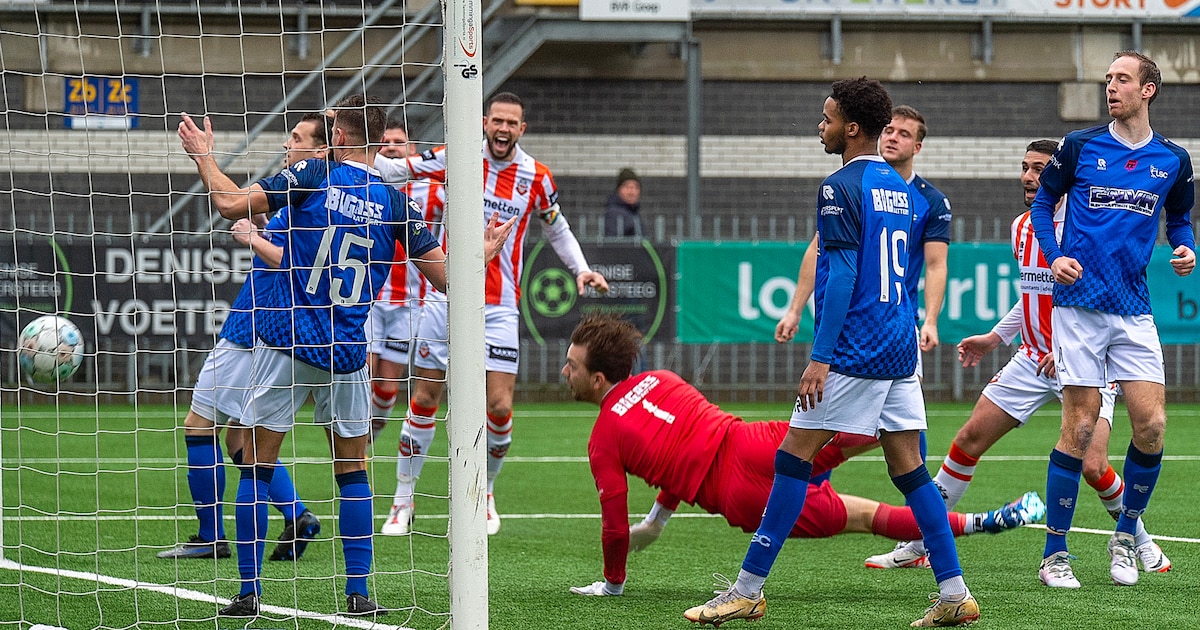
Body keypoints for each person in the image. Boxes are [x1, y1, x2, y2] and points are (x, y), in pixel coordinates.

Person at [178, 95, 515, 617]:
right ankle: (358, 593)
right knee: (353, 470)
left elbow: (228, 205)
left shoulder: (312, 174)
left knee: (257, 464)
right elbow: (449, 279)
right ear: (381, 142)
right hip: (348, 354)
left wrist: (202, 155)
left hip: (288, 344)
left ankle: (248, 592)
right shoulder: (395, 200)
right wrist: (485, 252)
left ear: (337, 137)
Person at [684, 78, 978, 628]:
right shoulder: (905, 189)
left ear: (851, 127)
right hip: (898, 346)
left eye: (826, 118)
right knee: (910, 468)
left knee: (792, 458)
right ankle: (954, 592)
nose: (819, 126)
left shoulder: (839, 185)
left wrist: (820, 356)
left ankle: (746, 590)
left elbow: (841, 276)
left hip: (856, 349)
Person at [560, 315, 1045, 598]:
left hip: (738, 493)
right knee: (874, 433)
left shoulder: (603, 437)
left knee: (869, 518)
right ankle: (903, 406)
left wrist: (613, 583)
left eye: (572, 365)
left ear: (599, 379)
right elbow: (688, 446)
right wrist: (661, 516)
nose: (565, 371)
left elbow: (614, 525)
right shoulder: (662, 379)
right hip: (754, 441)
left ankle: (986, 520)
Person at [863, 140, 1173, 579]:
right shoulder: (1024, 227)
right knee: (968, 439)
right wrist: (996, 337)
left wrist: (1060, 347)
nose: (1030, 177)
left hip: (1082, 359)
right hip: (1033, 359)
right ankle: (920, 543)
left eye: (1040, 169)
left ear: (1063, 176)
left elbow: (1090, 303)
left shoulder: (1086, 228)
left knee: (1093, 464)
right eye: (1025, 168)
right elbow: (1031, 296)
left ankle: (1135, 537)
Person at [373, 92, 609, 536]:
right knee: (425, 398)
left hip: (498, 307)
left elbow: (557, 228)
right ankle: (402, 501)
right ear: (484, 123)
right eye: (496, 120)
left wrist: (580, 269)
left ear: (522, 129)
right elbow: (392, 169)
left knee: (499, 406)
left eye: (511, 123)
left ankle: (485, 492)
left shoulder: (535, 177)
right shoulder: (454, 157)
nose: (503, 128)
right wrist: (360, 150)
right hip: (445, 296)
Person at [1029, 51, 1195, 588]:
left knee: (1151, 425)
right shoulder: (1079, 146)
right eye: (1108, 80)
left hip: (1134, 308)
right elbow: (1042, 203)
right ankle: (1055, 554)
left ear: (1148, 90)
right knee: (1079, 427)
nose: (1111, 87)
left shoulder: (1173, 158)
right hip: (1078, 308)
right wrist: (1053, 255)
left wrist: (1186, 248)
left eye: (1122, 79)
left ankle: (1125, 536)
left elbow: (1181, 219)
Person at [157, 112, 333, 563]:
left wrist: (204, 157)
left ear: (321, 150)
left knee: (199, 426)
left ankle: (211, 537)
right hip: (269, 325)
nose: (286, 144)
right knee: (240, 438)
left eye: (296, 138)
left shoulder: (309, 191)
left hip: (254, 327)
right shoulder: (314, 193)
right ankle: (297, 516)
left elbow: (296, 263)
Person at [365, 178, 445, 445]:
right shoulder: (369, 185)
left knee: (387, 388)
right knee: (362, 377)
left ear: (410, 147)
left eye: (398, 143)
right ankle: (354, 449)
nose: (392, 149)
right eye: (386, 143)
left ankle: (369, 441)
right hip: (370, 300)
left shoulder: (434, 191)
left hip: (409, 305)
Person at [604, 167, 643, 238]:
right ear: (618, 190)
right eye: (627, 187)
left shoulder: (634, 213)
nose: (631, 192)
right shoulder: (614, 213)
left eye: (635, 187)